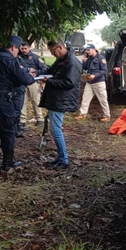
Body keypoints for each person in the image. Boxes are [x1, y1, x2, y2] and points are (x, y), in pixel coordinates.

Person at [0, 35, 35, 174]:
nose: (18, 53)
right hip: (1, 99)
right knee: (8, 130)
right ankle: (8, 163)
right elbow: (24, 79)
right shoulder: (9, 60)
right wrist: (31, 76)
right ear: (13, 47)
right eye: (18, 49)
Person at [40, 40, 82, 170]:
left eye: (52, 51)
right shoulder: (62, 60)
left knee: (56, 130)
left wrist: (49, 81)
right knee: (55, 129)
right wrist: (38, 73)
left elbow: (69, 83)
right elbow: (50, 70)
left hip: (62, 100)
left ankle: (64, 160)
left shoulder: (72, 62)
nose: (52, 54)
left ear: (60, 47)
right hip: (56, 99)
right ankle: (60, 157)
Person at [75, 44, 111, 122]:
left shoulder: (101, 58)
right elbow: (85, 67)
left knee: (103, 99)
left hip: (99, 82)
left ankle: (107, 115)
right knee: (85, 98)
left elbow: (104, 70)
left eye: (89, 50)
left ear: (94, 49)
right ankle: (82, 114)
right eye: (86, 50)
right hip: (89, 82)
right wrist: (84, 60)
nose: (87, 51)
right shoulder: (90, 58)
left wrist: (95, 75)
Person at [19, 41, 48, 128]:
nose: (24, 50)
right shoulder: (18, 57)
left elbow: (44, 69)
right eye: (22, 48)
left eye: (25, 48)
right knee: (22, 102)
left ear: (29, 48)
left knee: (36, 100)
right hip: (22, 82)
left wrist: (36, 72)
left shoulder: (35, 57)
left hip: (33, 82)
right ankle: (22, 120)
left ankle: (39, 119)